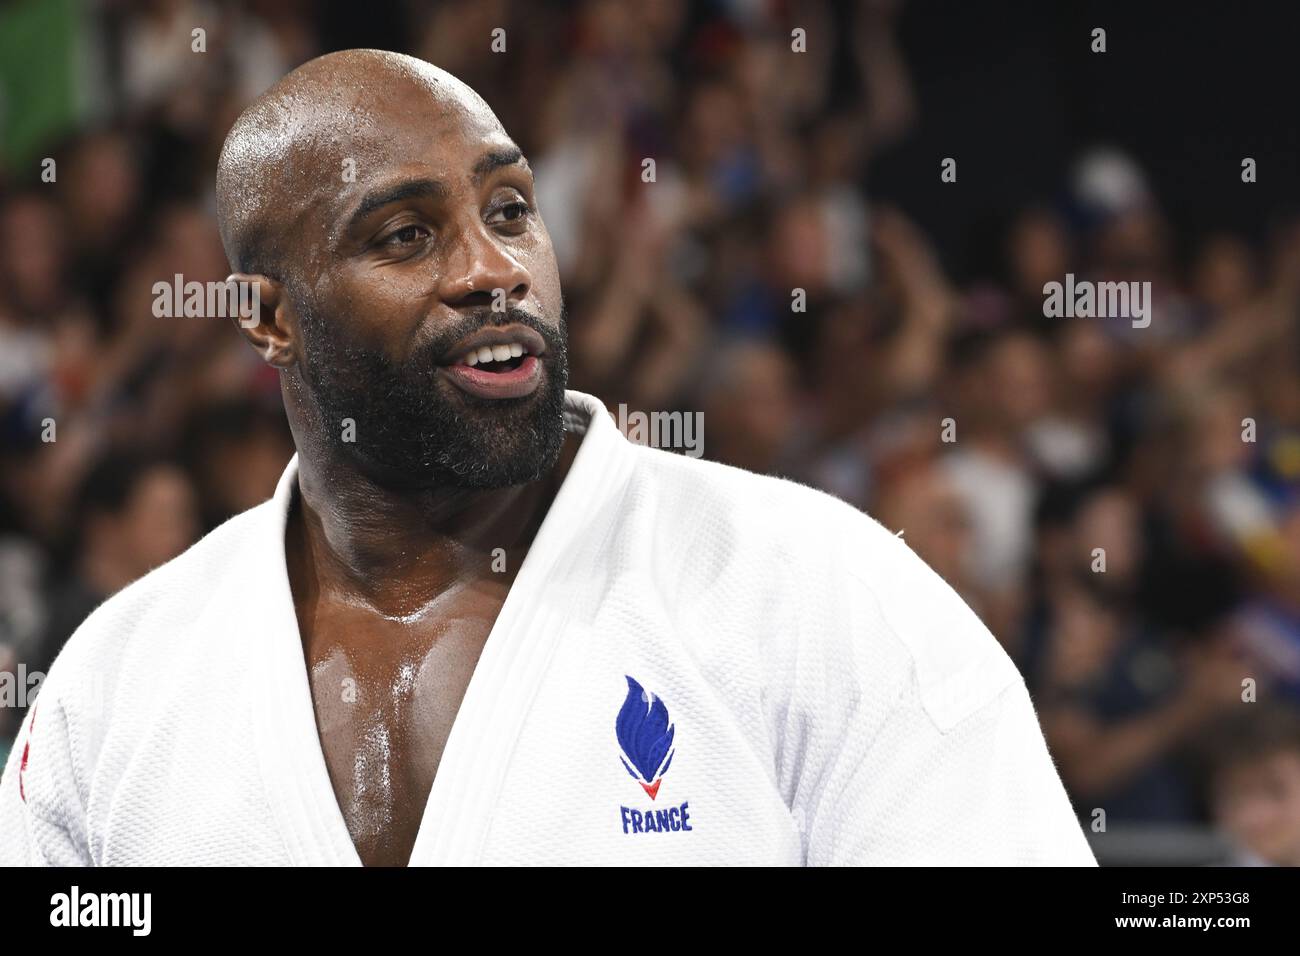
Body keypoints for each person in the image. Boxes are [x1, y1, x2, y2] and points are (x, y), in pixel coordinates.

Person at [0, 50, 1094, 866]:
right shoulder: (122, 679)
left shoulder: (816, 594)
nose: (493, 269)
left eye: (511, 209)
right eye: (404, 235)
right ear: (270, 318)